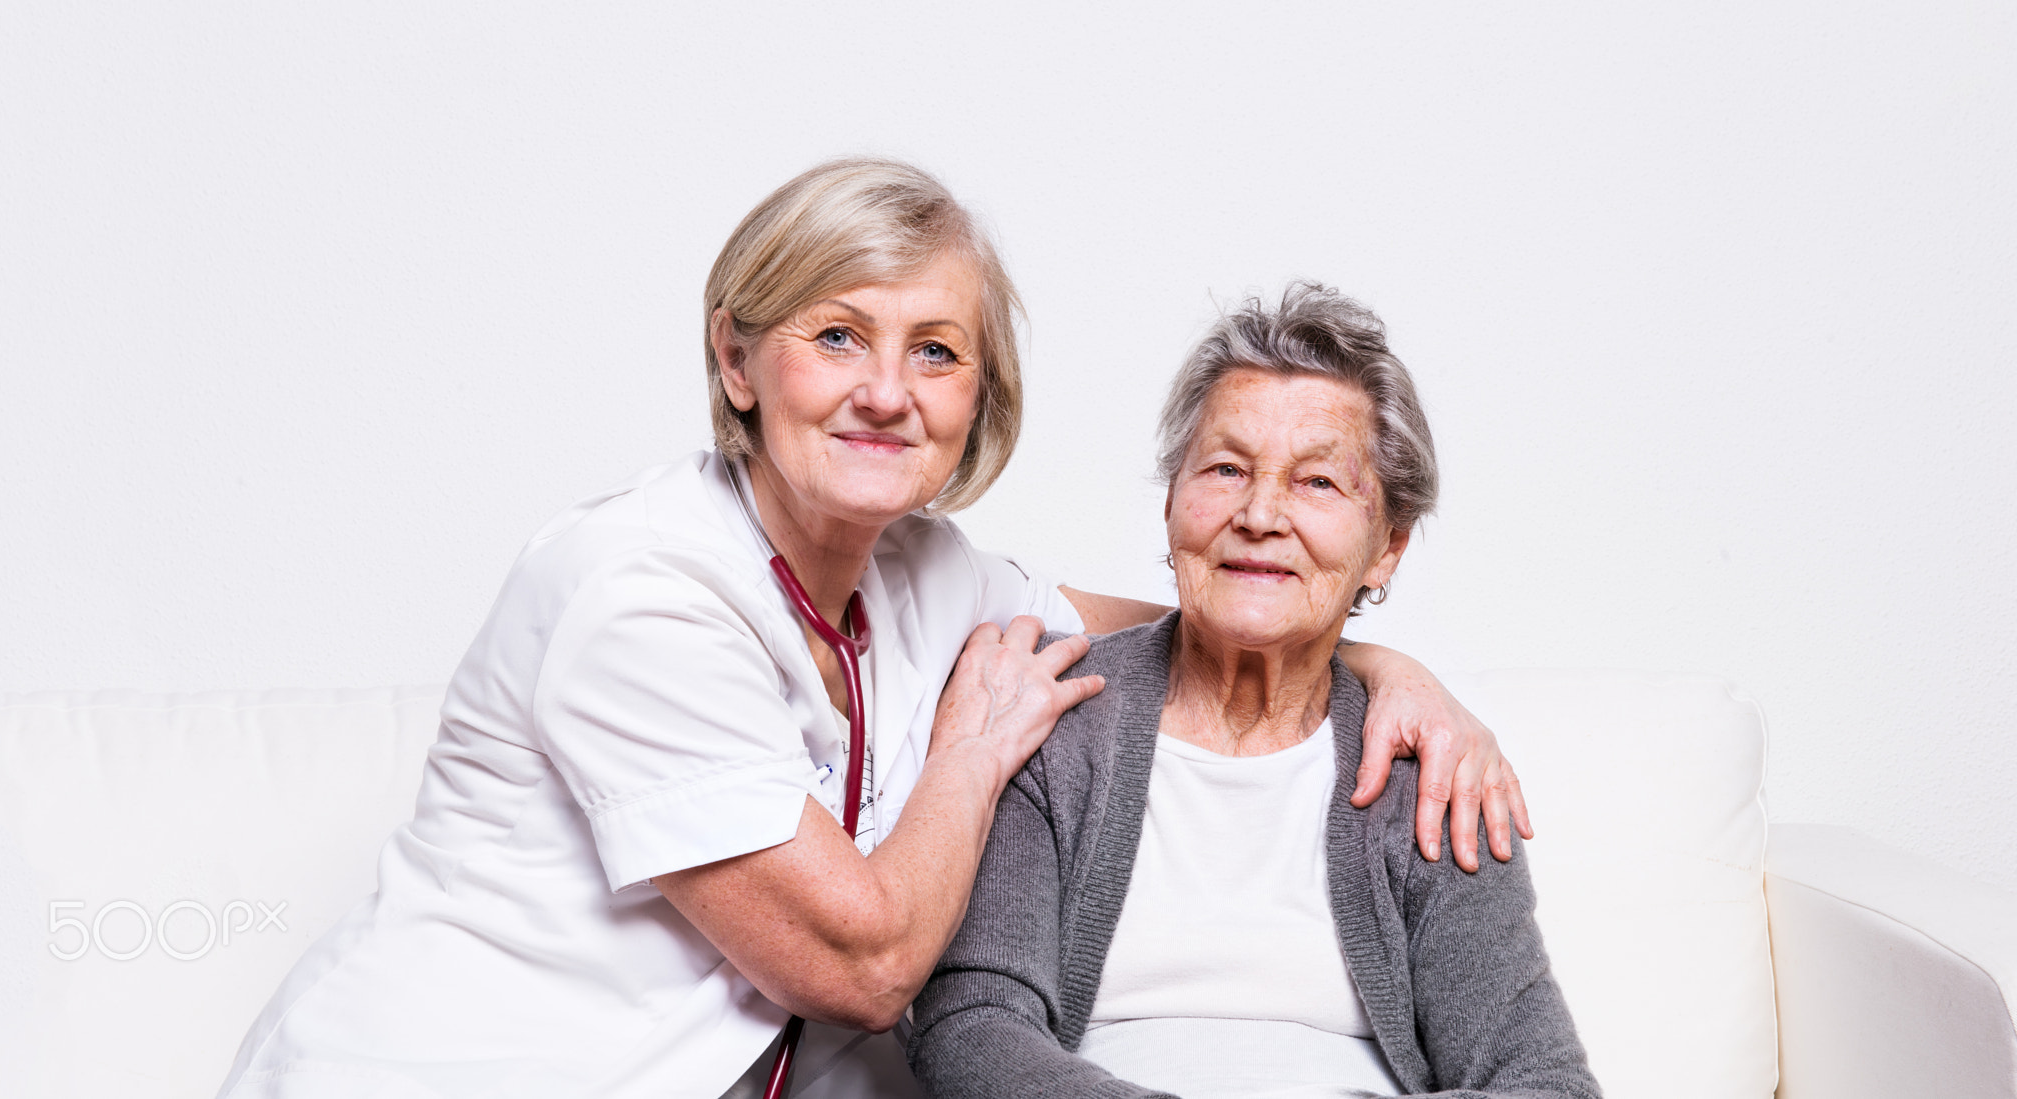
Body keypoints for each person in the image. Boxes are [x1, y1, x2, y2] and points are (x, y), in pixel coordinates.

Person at [217, 162, 1528, 1099]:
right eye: (837, 334)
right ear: (739, 360)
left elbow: (1207, 607)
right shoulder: (631, 591)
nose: (888, 393)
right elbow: (868, 958)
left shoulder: (928, 573)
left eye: (939, 351)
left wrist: (1377, 662)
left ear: (980, 395)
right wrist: (967, 752)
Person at [909, 283, 1599, 1099]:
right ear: (1172, 503)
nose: (1260, 513)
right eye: (1227, 467)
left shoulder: (1435, 770)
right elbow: (973, 1025)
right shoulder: (1046, 708)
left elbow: (1544, 1082)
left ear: (1388, 547)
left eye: (1317, 483)